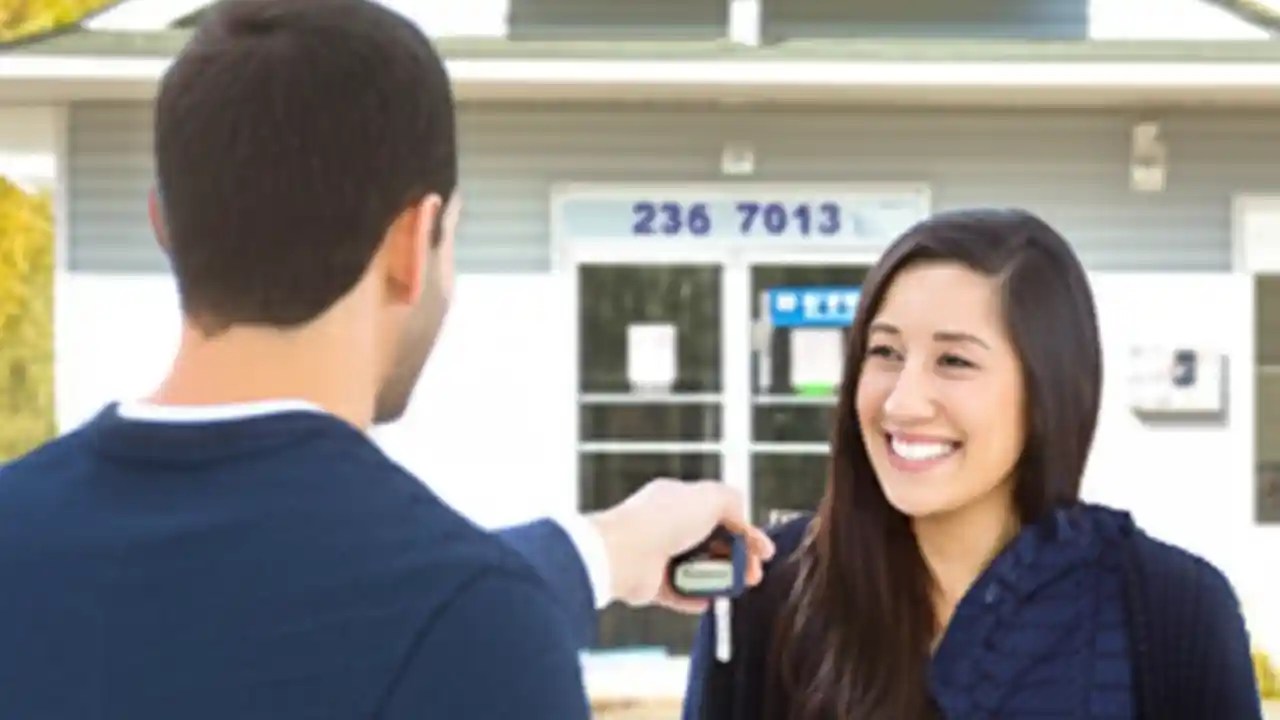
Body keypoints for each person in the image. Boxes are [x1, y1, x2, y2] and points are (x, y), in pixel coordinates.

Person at [0, 1, 774, 718]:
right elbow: (376, 608)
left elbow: (248, 605)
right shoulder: (474, 629)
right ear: (415, 240)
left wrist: (597, 551)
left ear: (163, 222)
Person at [682, 208, 1262, 720]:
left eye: (954, 360)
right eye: (884, 352)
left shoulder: (1172, 608)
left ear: (1047, 391)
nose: (902, 401)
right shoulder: (765, 592)